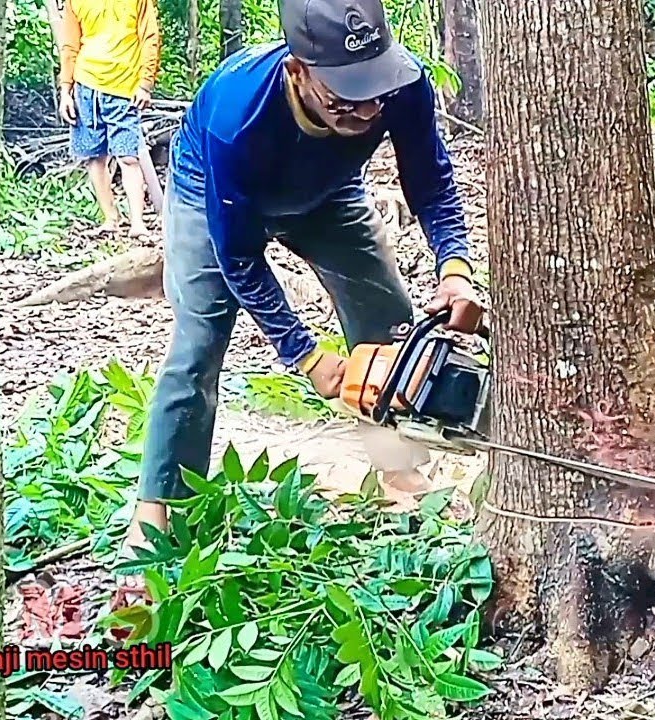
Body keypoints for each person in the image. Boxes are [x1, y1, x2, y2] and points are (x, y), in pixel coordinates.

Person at [118, 0, 484, 574]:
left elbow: (431, 181)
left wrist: (456, 269)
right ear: (297, 73)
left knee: (388, 319)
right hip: (212, 192)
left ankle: (398, 468)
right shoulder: (237, 120)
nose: (365, 111)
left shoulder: (405, 87)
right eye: (344, 97)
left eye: (373, 93)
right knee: (198, 344)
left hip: (328, 192)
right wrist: (307, 356)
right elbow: (238, 258)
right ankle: (158, 509)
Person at [58, 0, 161, 238]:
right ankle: (110, 219)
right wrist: (66, 90)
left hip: (124, 88)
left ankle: (138, 223)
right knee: (95, 157)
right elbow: (69, 45)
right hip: (86, 86)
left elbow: (149, 37)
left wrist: (145, 84)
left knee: (128, 157)